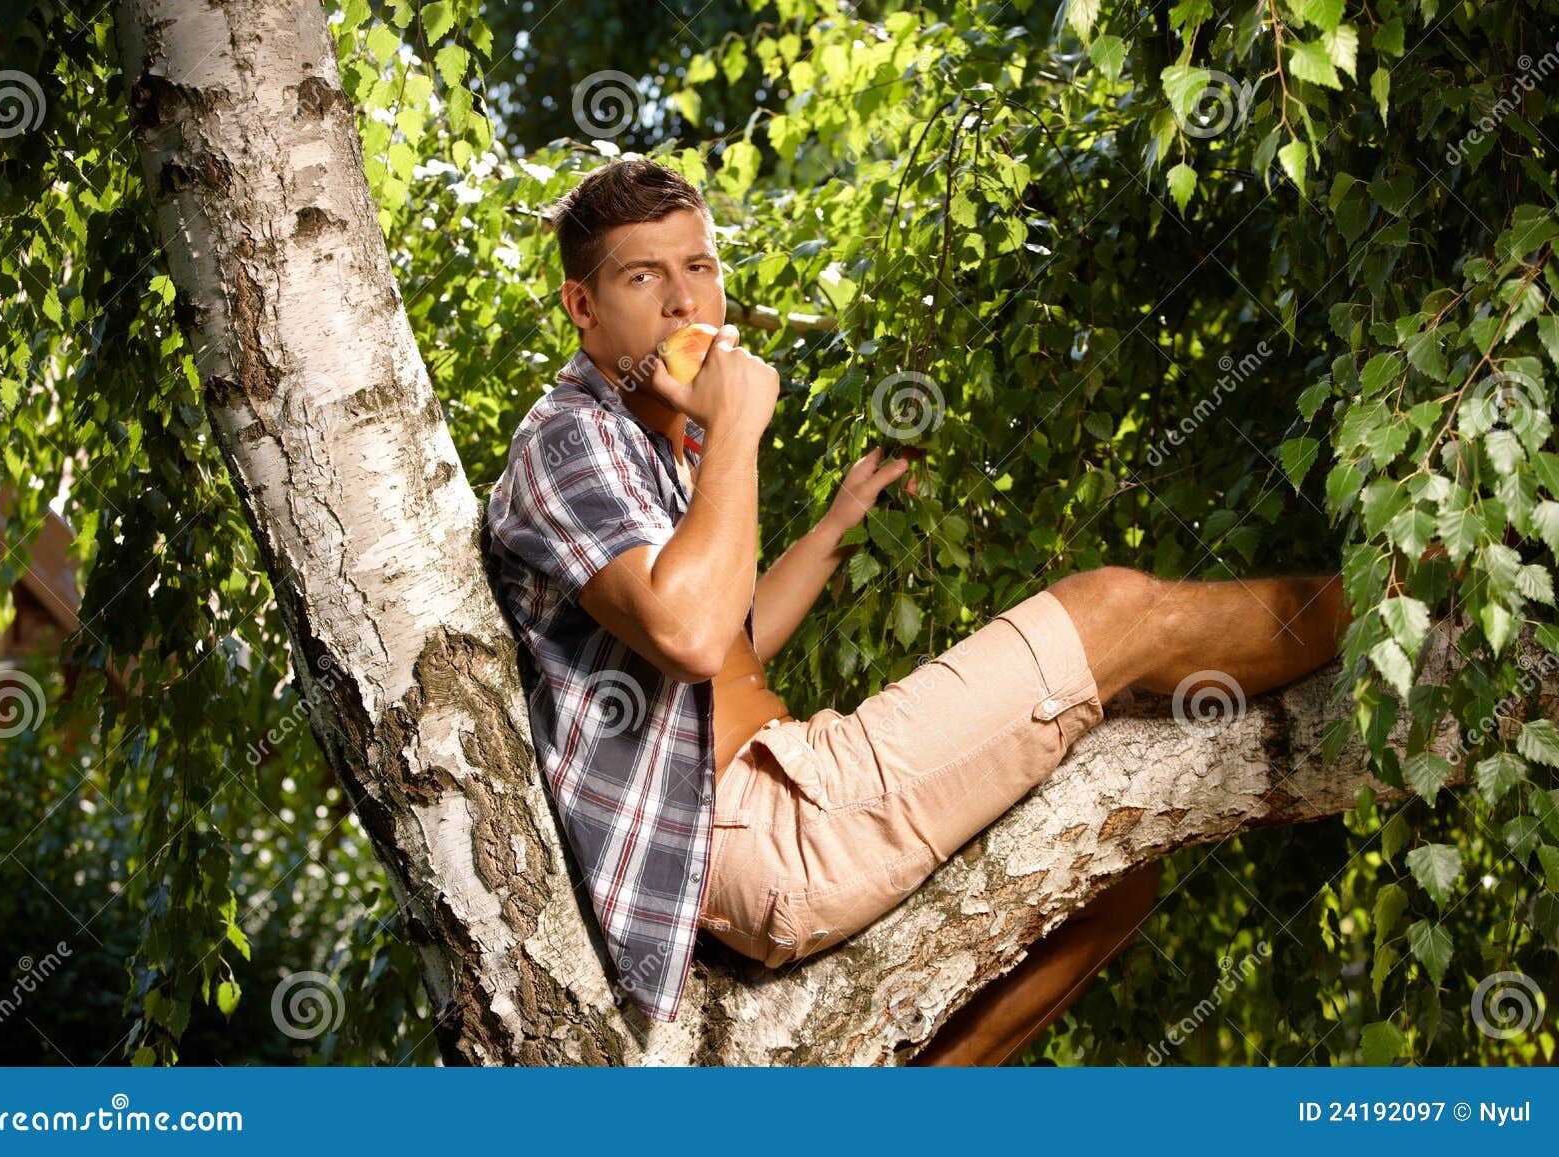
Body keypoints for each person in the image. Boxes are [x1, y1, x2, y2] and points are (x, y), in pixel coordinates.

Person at [482, 158, 1356, 1064]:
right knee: (1116, 611)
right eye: (643, 276)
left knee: (1118, 875)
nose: (682, 301)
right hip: (758, 825)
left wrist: (834, 528)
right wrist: (737, 426)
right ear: (582, 306)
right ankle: (1395, 598)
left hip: (781, 795)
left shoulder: (657, 445)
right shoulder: (568, 437)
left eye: (699, 266)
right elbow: (691, 636)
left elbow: (729, 642)